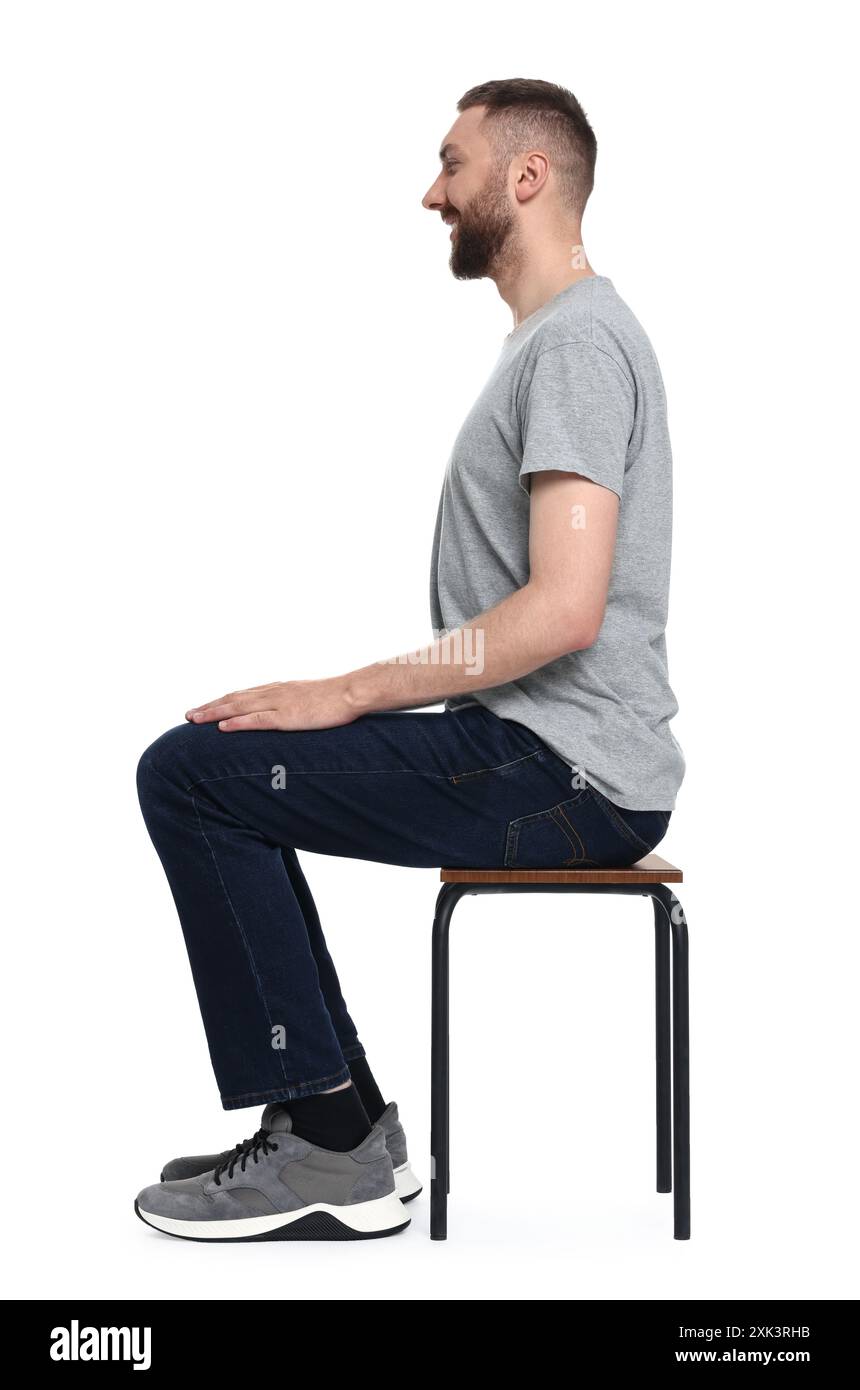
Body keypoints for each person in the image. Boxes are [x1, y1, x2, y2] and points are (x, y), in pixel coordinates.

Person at [134, 77, 684, 1242]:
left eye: (452, 162)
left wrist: (343, 692)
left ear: (524, 178)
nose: (431, 191)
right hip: (544, 754)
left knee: (190, 774)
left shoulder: (577, 346)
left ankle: (327, 1134)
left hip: (562, 769)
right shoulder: (554, 340)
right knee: (213, 765)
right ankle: (335, 1124)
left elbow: (563, 611)